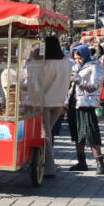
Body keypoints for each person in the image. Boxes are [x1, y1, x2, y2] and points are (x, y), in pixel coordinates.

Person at [31, 36, 74, 178]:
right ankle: (42, 162)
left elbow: (38, 83)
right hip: (59, 102)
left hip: (45, 103)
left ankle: (49, 168)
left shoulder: (45, 64)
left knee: (46, 136)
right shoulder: (67, 63)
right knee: (47, 134)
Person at [67, 46, 104, 174]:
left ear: (85, 55)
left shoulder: (95, 66)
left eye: (80, 58)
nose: (77, 61)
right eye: (75, 58)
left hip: (86, 105)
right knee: (77, 135)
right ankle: (81, 162)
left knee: (91, 134)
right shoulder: (75, 67)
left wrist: (78, 79)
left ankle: (100, 163)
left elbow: (94, 86)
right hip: (73, 104)